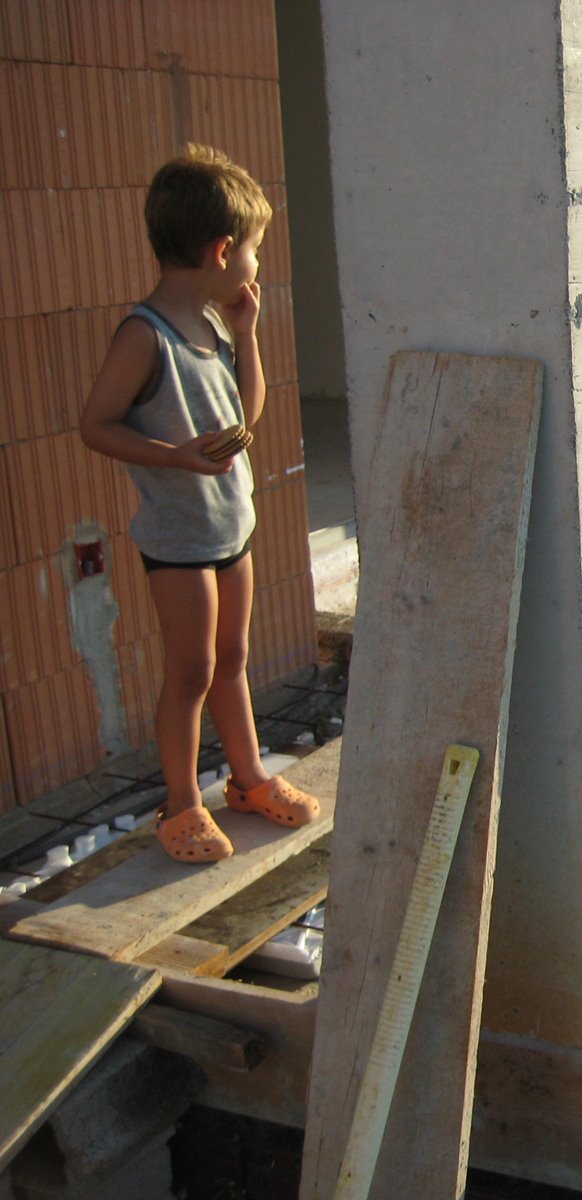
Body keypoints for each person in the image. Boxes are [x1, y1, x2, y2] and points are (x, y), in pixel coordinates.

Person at [80, 145, 319, 863]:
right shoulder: (143, 335)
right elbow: (96, 425)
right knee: (188, 672)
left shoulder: (216, 325)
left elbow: (245, 422)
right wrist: (173, 457)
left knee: (232, 658)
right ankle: (180, 804)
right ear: (221, 250)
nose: (255, 266)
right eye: (253, 250)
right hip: (179, 540)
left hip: (229, 527)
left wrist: (248, 337)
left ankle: (247, 781)